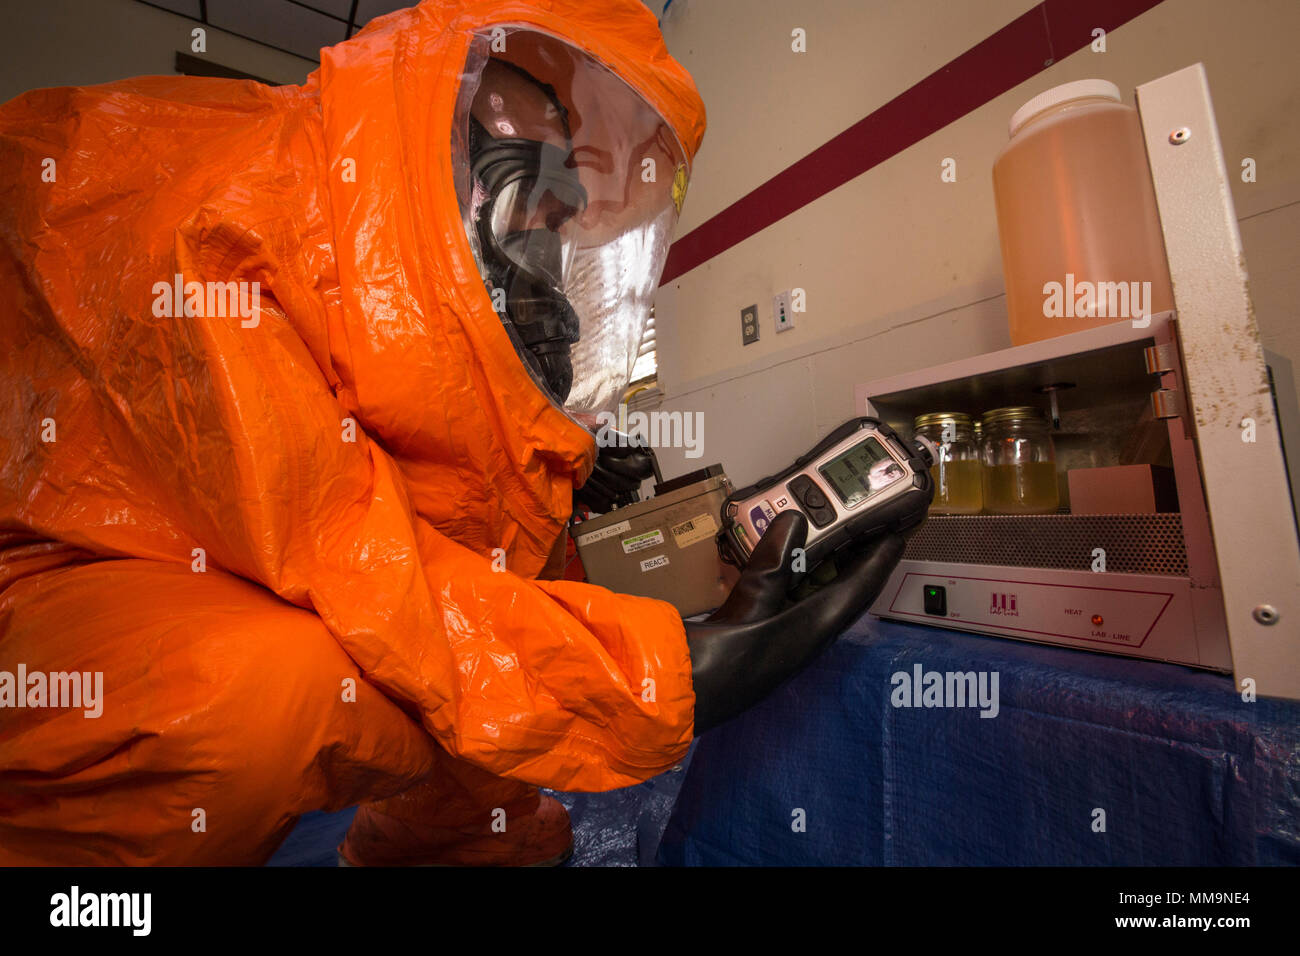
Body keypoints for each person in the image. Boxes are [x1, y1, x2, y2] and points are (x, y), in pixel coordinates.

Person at [0, 0, 904, 866]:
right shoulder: (230, 221)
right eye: (545, 196)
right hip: (46, 568)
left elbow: (441, 541)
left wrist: (582, 487)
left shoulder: (384, 274)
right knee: (258, 694)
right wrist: (661, 677)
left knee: (479, 615)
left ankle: (456, 846)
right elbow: (349, 546)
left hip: (188, 548)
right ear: (466, 128)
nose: (549, 238)